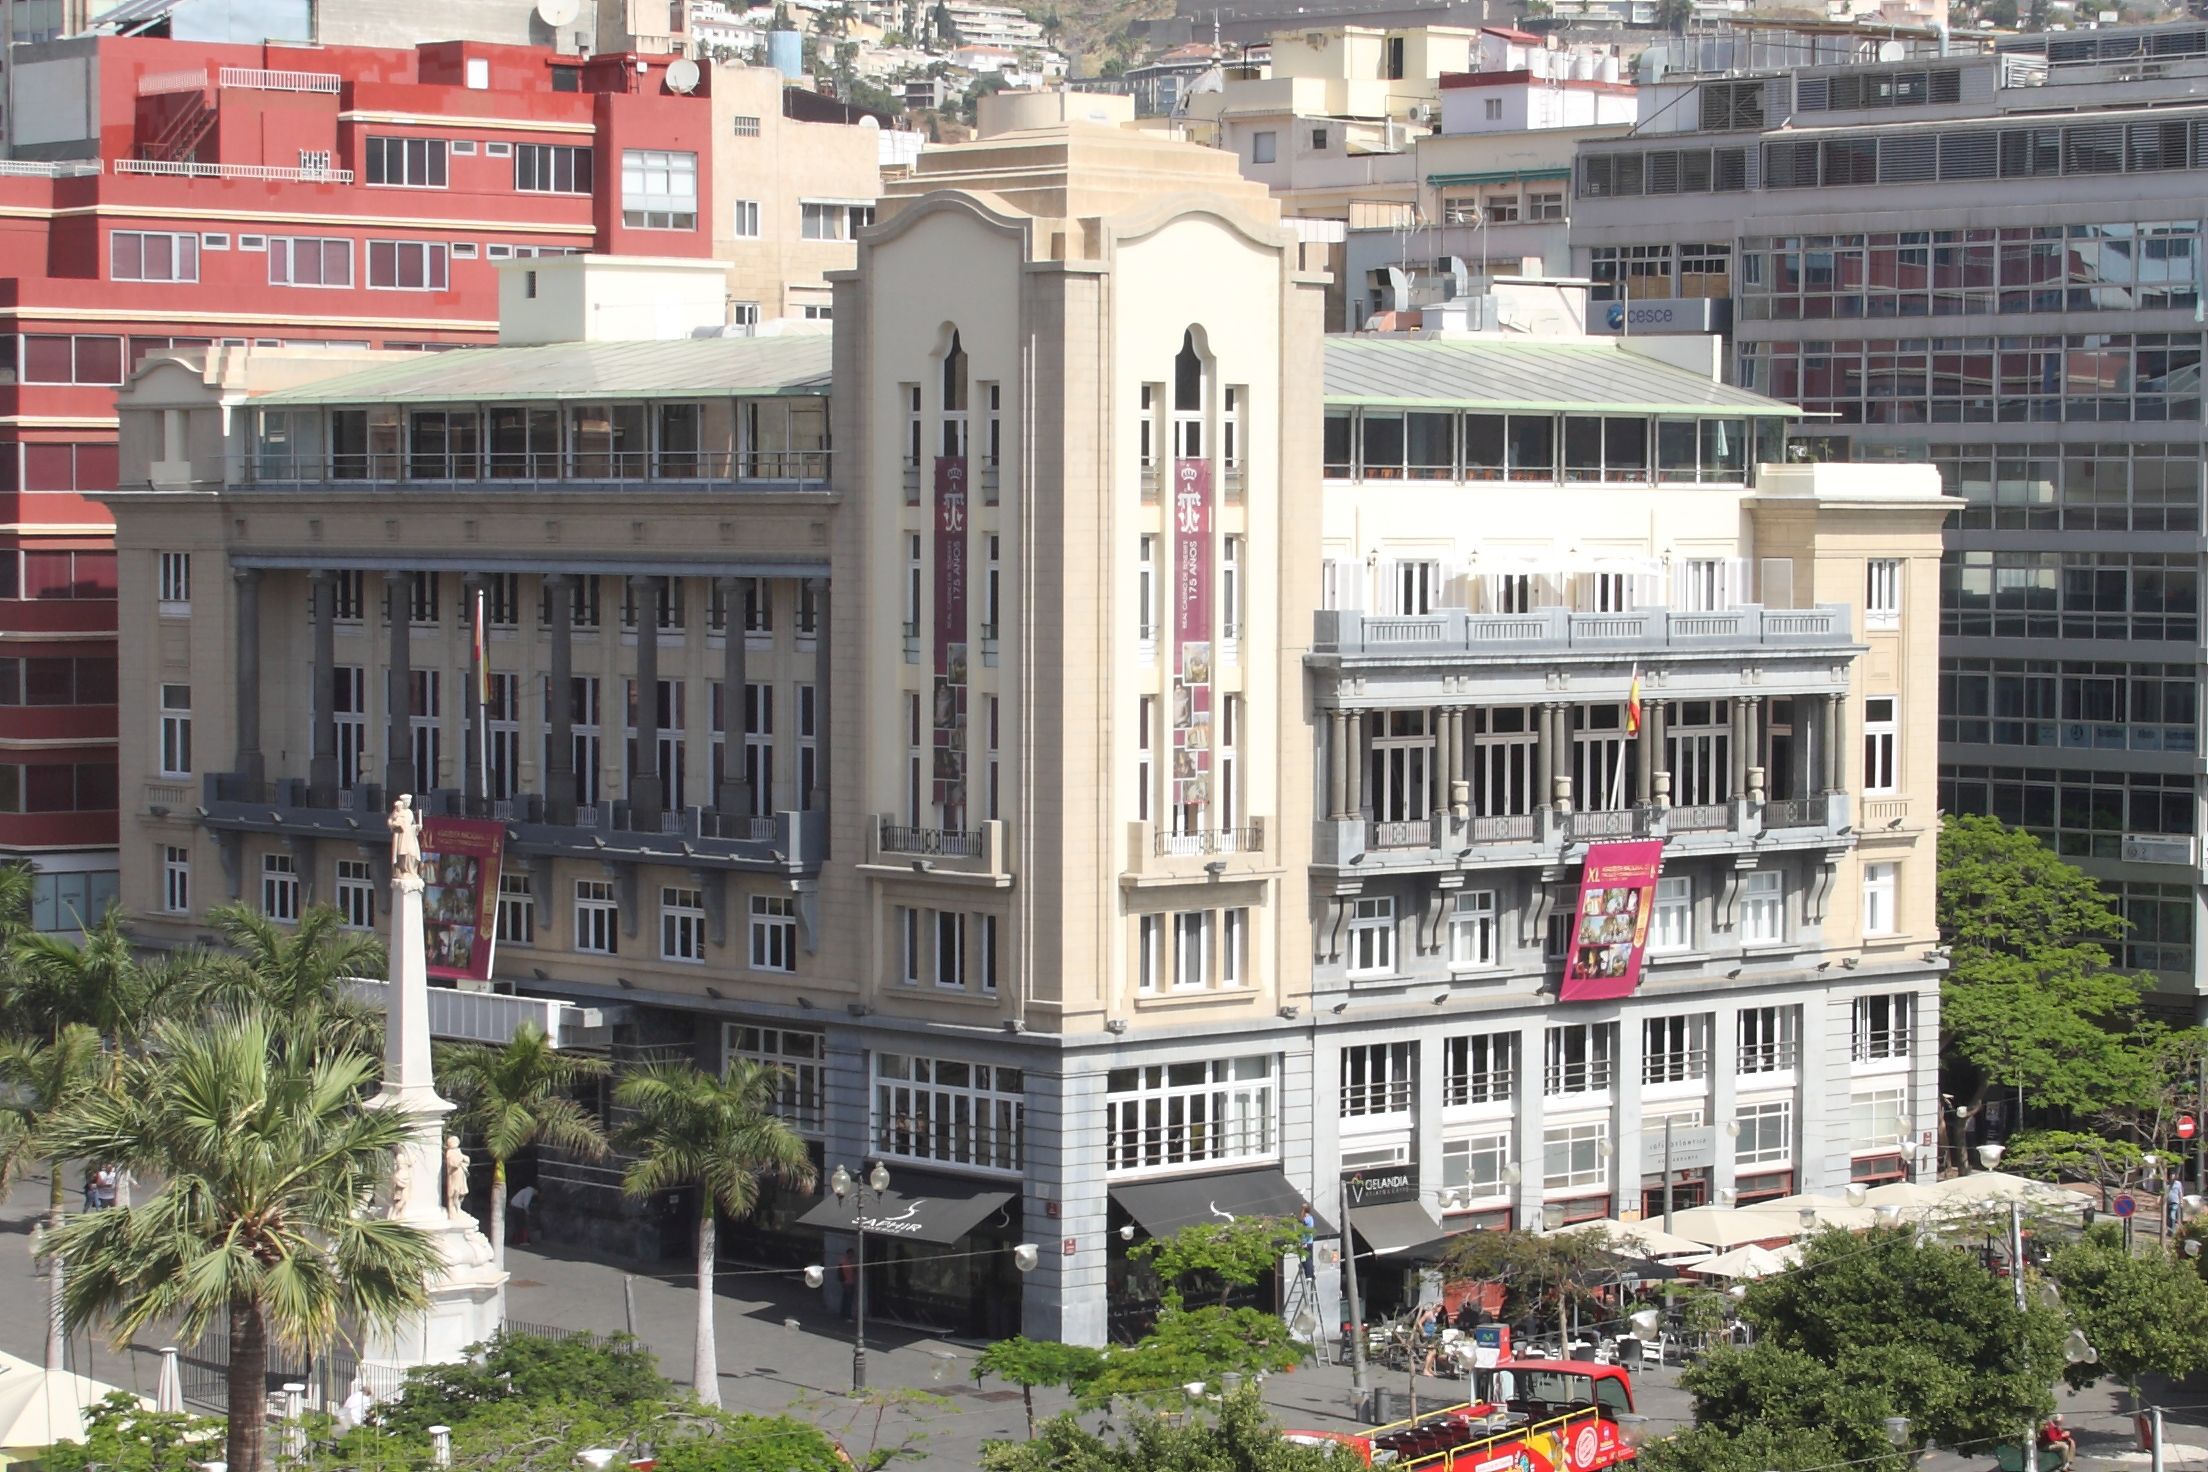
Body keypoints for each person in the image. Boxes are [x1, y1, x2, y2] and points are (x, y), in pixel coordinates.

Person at [838, 1247, 859, 1322]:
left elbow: (854, 1271)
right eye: (851, 1254)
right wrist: (843, 1282)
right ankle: (847, 1315)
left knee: (846, 1299)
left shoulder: (850, 1262)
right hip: (847, 1283)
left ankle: (844, 1314)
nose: (852, 1255)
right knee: (848, 1300)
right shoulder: (844, 1261)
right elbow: (840, 1273)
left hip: (850, 1282)